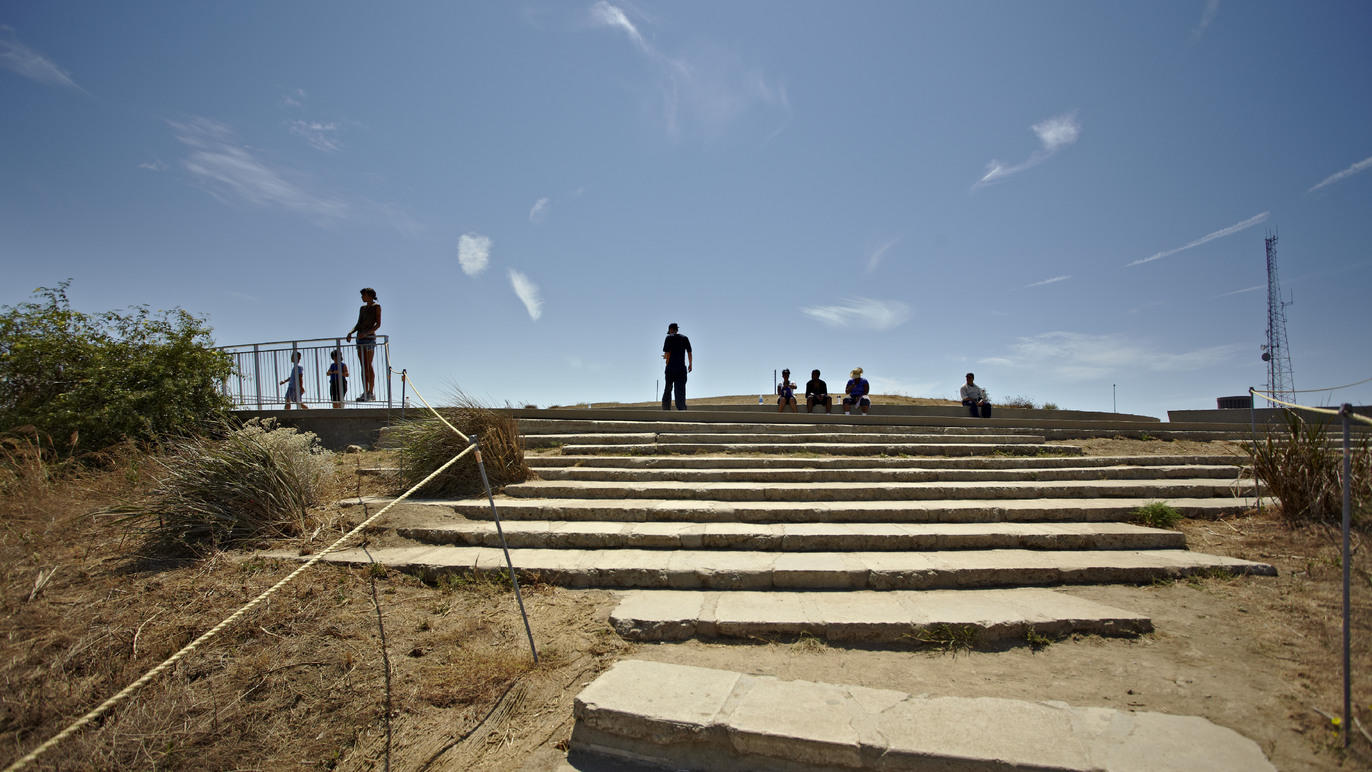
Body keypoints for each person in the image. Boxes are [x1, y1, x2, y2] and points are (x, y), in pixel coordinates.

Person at [346, 288, 381, 401]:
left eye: (363, 295)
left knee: (368, 365)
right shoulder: (362, 308)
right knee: (363, 366)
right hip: (360, 339)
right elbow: (358, 323)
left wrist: (366, 333)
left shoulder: (376, 307)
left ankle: (371, 392)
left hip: (369, 338)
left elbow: (378, 324)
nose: (362, 297)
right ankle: (365, 391)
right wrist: (351, 332)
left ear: (368, 295)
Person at [661, 322, 693, 410]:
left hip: (671, 368)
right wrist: (690, 364)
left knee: (668, 388)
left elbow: (667, 353)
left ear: (671, 330)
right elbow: (689, 352)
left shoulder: (668, 338)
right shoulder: (685, 338)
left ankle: (666, 409)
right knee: (680, 390)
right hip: (681, 368)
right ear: (677, 329)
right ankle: (681, 409)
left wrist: (666, 361)